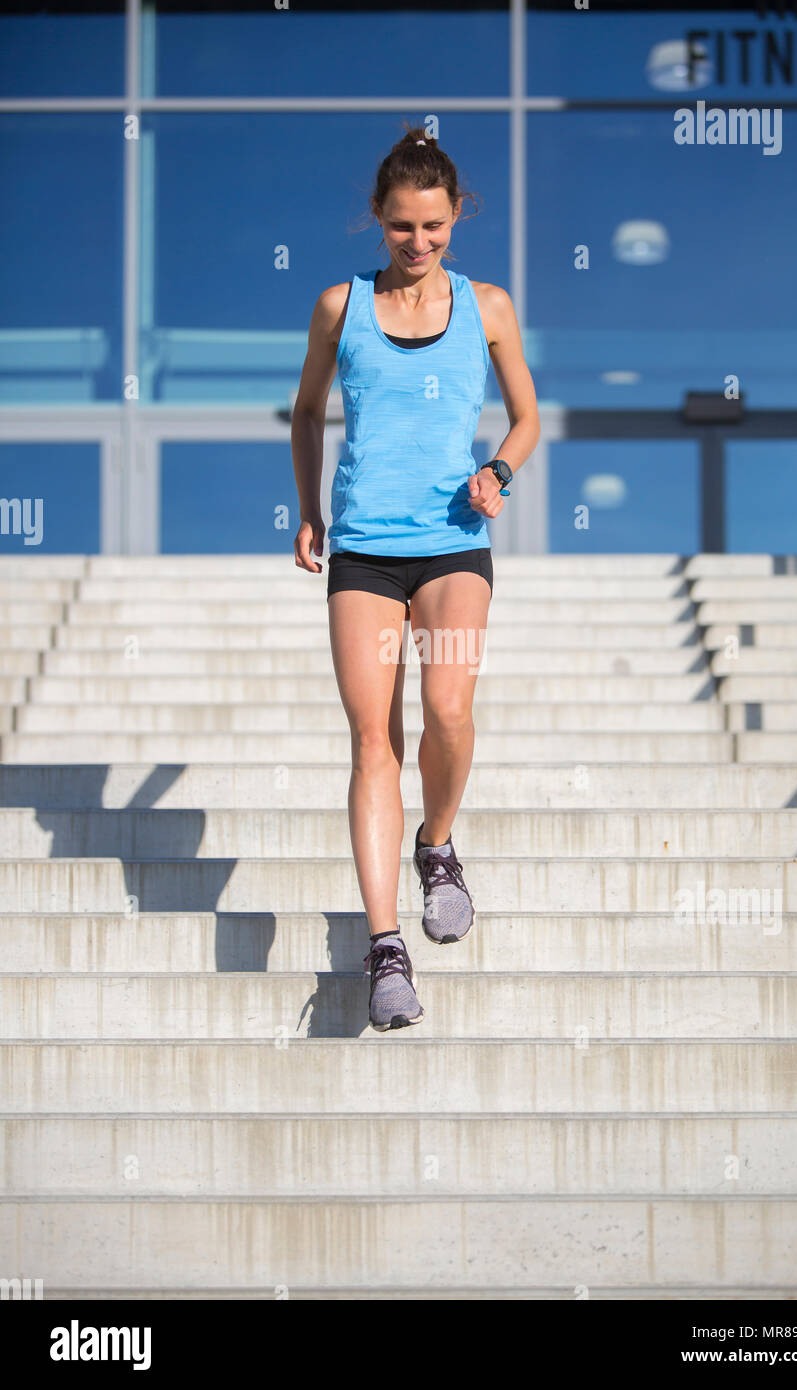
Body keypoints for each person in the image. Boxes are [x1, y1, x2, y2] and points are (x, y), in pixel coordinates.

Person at [292, 125, 540, 1031]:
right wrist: (310, 509)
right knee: (371, 739)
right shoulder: (338, 307)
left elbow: (527, 417)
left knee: (446, 711)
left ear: (455, 216)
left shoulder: (490, 308)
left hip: (452, 541)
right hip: (363, 550)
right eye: (402, 228)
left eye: (433, 227)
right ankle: (386, 946)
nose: (418, 243)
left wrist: (498, 474)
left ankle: (438, 846)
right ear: (378, 221)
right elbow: (307, 410)